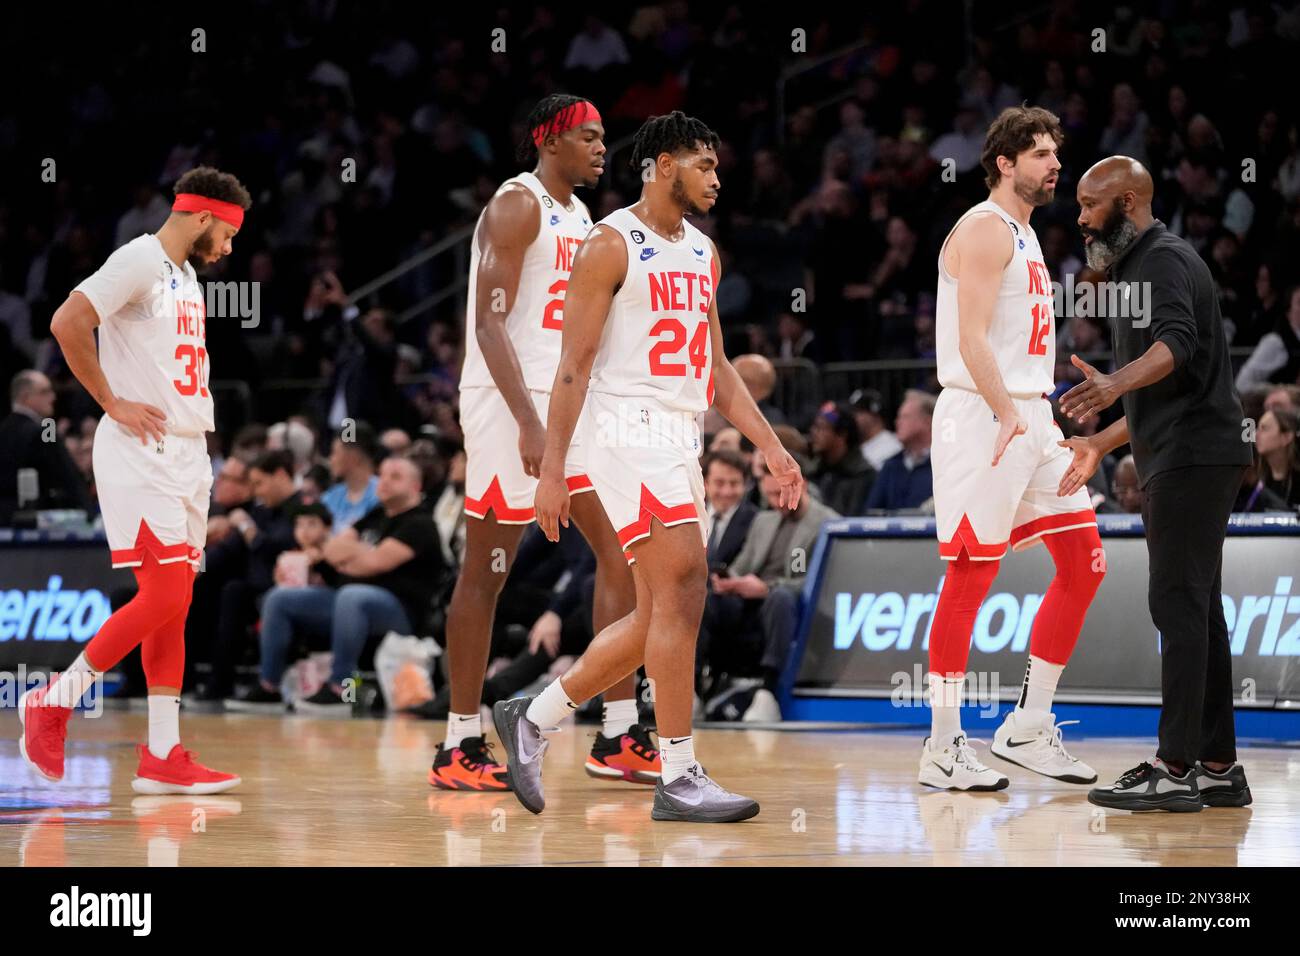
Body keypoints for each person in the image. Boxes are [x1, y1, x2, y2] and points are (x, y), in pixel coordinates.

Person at [495, 110, 804, 823]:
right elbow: (571, 367)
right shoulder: (609, 244)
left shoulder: (703, 250)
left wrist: (772, 446)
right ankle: (678, 771)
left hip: (678, 433)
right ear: (664, 164)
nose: (716, 178)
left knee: (663, 609)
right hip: (622, 428)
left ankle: (533, 716)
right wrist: (552, 470)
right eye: (704, 164)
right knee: (686, 584)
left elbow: (719, 371)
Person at [435, 94, 653, 791]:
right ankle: (458, 741)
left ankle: (617, 733)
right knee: (486, 569)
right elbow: (490, 324)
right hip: (508, 408)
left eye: (604, 139)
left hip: (561, 405)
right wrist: (529, 422)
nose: (601, 149)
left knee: (623, 550)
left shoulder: (581, 216)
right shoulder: (516, 205)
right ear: (550, 138)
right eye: (589, 137)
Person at [20, 166, 251, 794]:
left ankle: (162, 753)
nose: (230, 248)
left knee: (173, 606)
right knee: (166, 597)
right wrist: (111, 402)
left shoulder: (183, 278)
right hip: (141, 449)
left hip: (183, 452)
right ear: (202, 218)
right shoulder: (140, 259)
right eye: (228, 234)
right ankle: (53, 701)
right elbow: (68, 322)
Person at [1061, 155, 1254, 811]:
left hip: (1192, 456)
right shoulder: (1138, 270)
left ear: (1128, 200)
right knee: (1199, 610)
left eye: (1090, 205)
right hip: (1195, 450)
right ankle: (1219, 765)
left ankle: (1174, 770)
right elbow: (1161, 391)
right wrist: (1101, 439)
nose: (1081, 219)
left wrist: (1112, 384)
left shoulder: (1162, 260)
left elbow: (1176, 345)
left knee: (1176, 604)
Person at [924, 106, 1104, 793]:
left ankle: (1028, 724)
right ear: (1004, 162)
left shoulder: (1027, 235)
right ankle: (942, 746)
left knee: (1085, 564)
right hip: (982, 414)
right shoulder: (982, 228)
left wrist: (1028, 415)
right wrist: (1004, 411)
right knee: (970, 576)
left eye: (1056, 152)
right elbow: (970, 336)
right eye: (1039, 153)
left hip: (1031, 416)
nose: (1055, 163)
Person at [233, 456, 445, 713]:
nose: (385, 480)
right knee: (280, 598)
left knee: (352, 596)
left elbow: (374, 564)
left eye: (396, 476)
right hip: (349, 600)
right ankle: (270, 687)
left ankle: (339, 688)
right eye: (384, 473)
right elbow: (333, 550)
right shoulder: (375, 515)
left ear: (415, 487)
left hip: (401, 612)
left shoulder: (420, 524)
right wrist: (359, 553)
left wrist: (354, 556)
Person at [0, 370, 91, 524]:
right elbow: (67, 476)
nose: (53, 397)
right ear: (26, 398)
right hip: (35, 522)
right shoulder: (45, 431)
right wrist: (89, 510)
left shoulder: (3, 430)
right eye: (45, 392)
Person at [864, 389, 934, 511]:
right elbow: (872, 513)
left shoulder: (943, 465)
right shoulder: (891, 465)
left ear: (927, 422)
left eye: (905, 417)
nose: (897, 422)